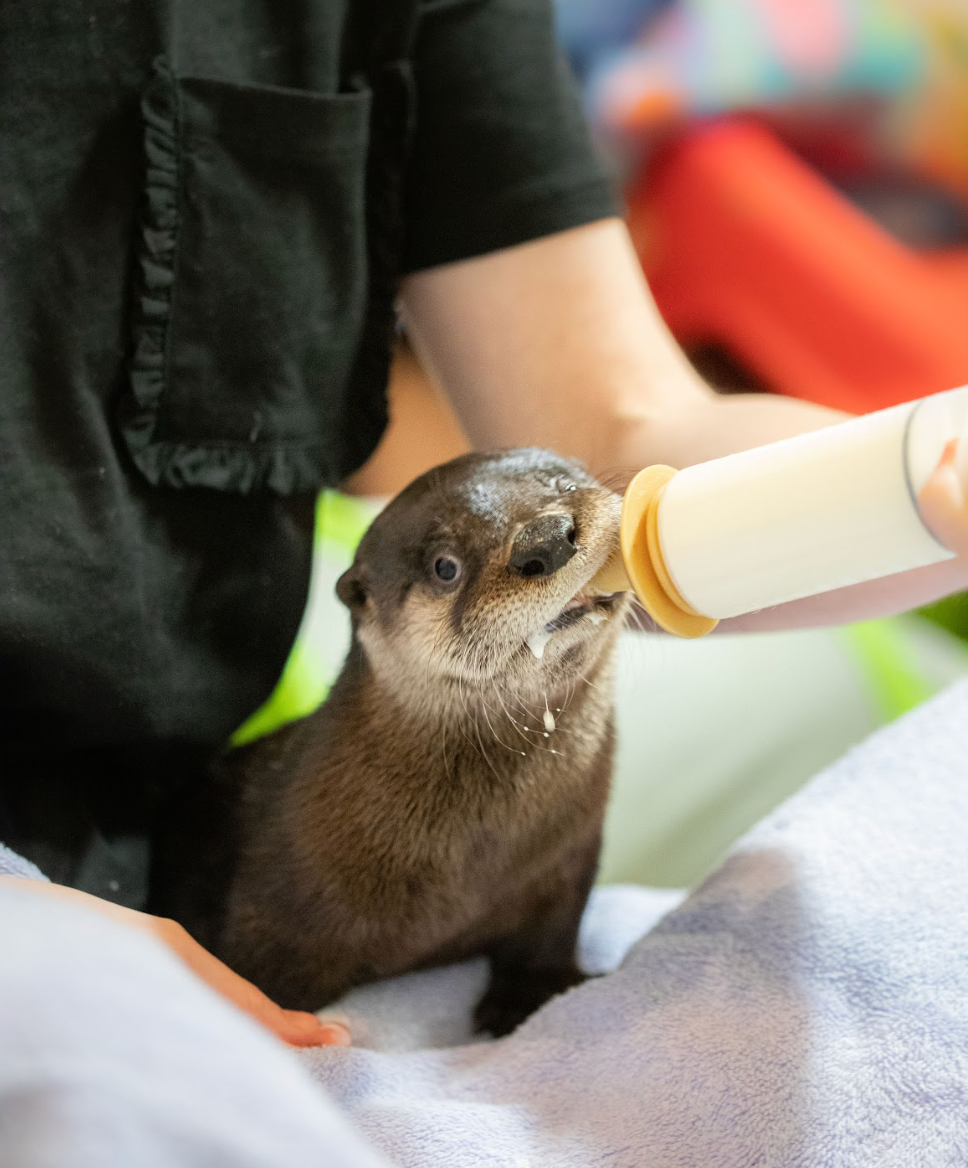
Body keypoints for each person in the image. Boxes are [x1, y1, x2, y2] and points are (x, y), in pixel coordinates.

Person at [1, 0, 966, 1145]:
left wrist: (912, 489)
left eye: (562, 538)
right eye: (464, 569)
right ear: (375, 615)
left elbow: (626, 429)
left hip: (157, 777)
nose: (556, 557)